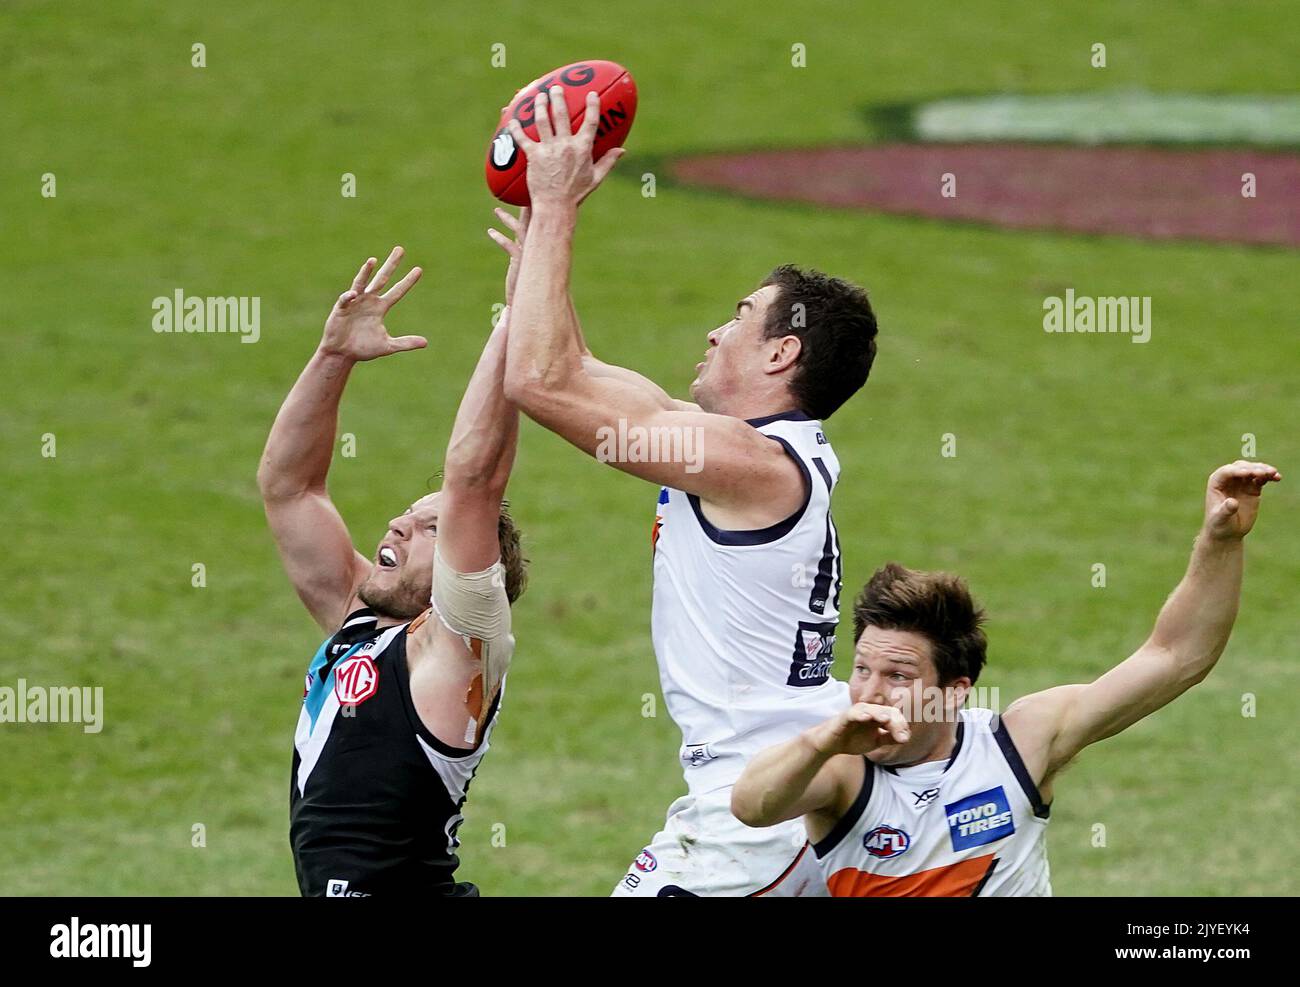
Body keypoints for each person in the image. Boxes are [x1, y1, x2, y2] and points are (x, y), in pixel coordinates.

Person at [496, 87, 878, 895]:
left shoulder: (751, 463)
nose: (714, 329)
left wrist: (560, 206)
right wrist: (538, 242)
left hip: (751, 821)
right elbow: (579, 370)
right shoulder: (746, 453)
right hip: (780, 803)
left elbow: (538, 382)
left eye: (740, 316)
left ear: (781, 354)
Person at [731, 461, 1281, 896]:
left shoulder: (1019, 743)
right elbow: (752, 806)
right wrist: (822, 741)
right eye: (862, 669)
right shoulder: (842, 774)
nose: (871, 693)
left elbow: (1176, 655)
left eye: (899, 675)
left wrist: (1221, 542)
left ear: (955, 689)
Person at [258, 245, 527, 896]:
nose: (397, 526)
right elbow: (290, 487)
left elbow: (477, 478)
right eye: (406, 515)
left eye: (431, 526)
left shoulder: (460, 648)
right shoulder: (359, 617)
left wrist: (519, 315)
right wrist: (334, 357)